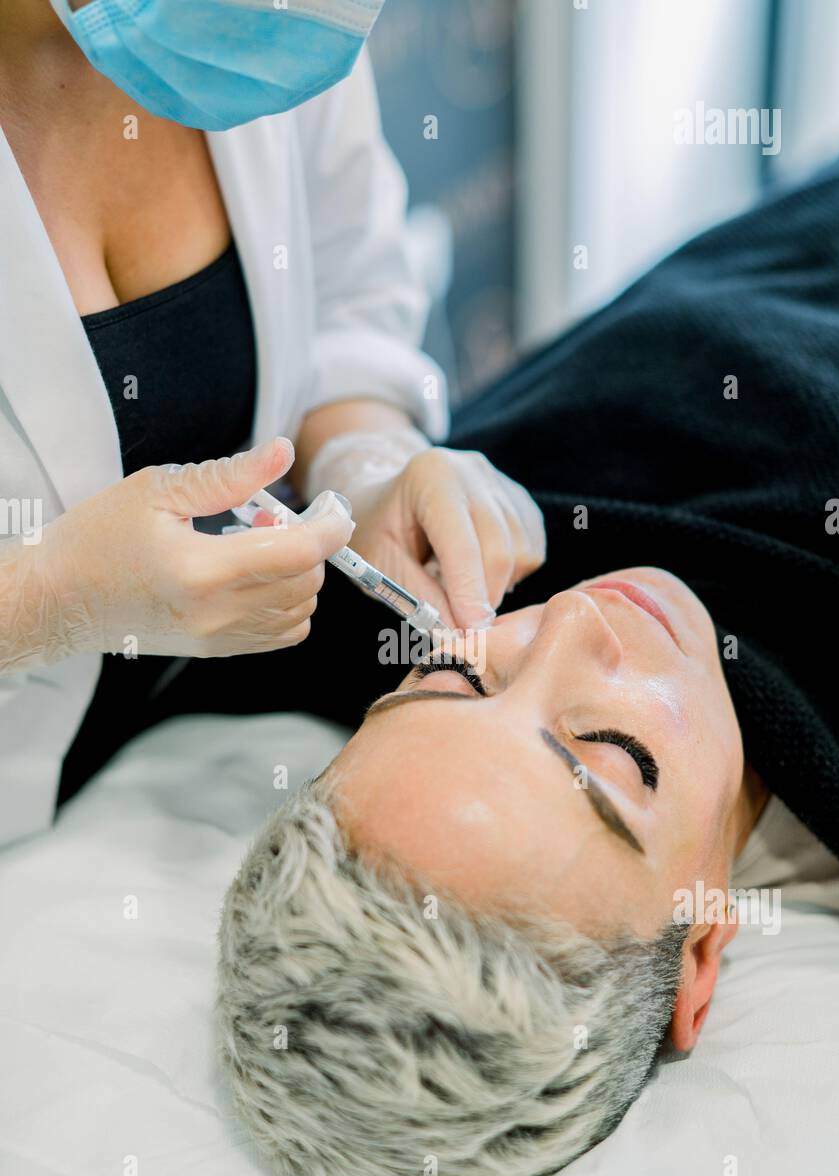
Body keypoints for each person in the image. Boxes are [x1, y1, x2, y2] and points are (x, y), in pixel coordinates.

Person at [218, 140, 839, 1176]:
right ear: (700, 947)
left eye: (455, 678)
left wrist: (368, 465)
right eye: (614, 752)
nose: (568, 614)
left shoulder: (356, 587)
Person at [0, 0, 545, 844]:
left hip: (171, 757)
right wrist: (44, 602)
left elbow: (347, 295)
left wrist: (369, 462)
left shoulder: (259, 25)